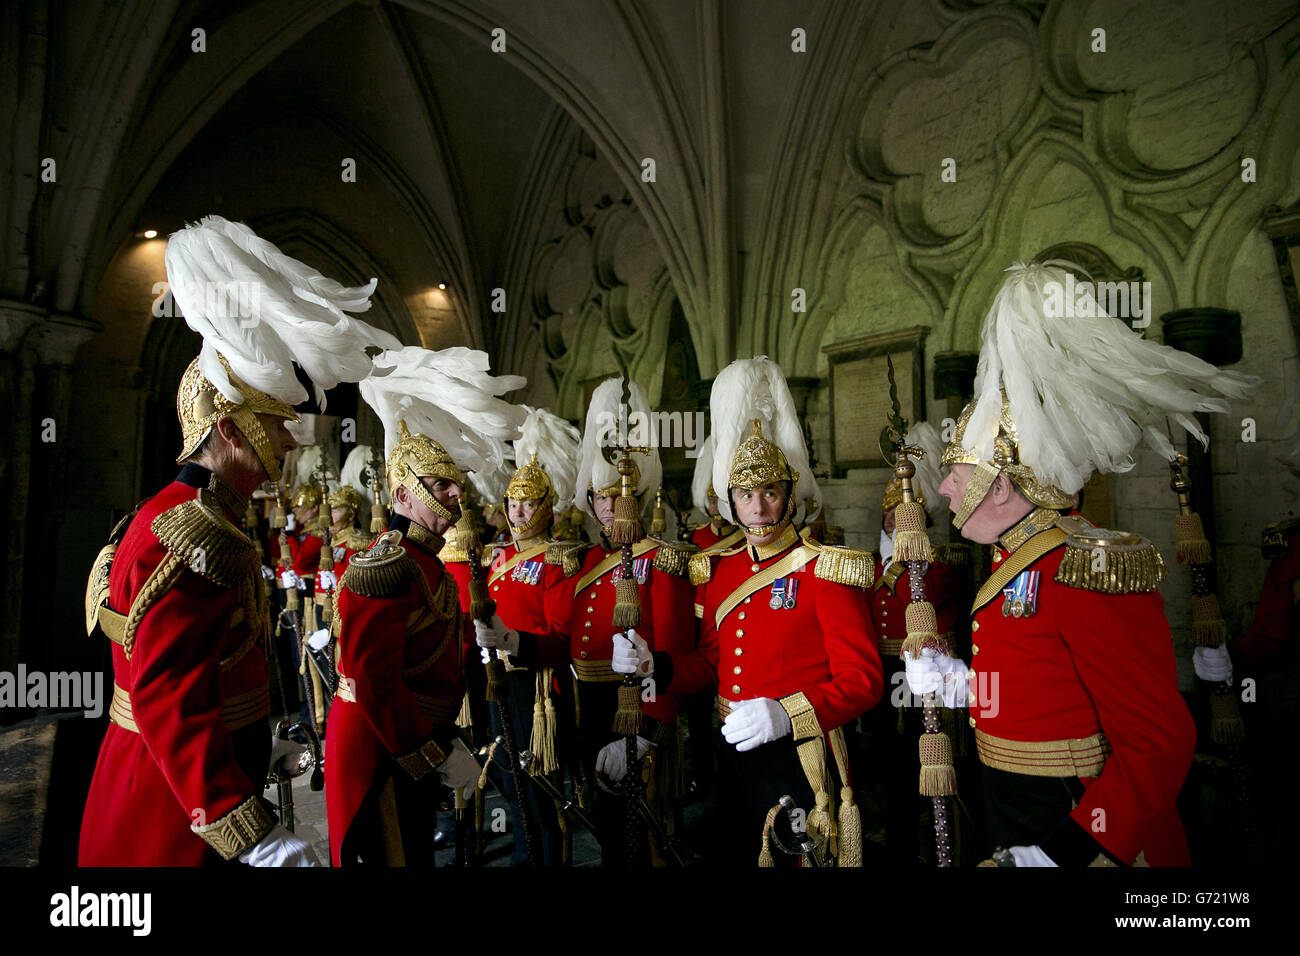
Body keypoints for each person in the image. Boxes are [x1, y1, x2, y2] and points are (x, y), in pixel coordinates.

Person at [907, 259, 1254, 866]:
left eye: (957, 475)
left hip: (1077, 822)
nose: (943, 491)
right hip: (1013, 805)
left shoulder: (1083, 567)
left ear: (1003, 488)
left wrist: (1069, 848)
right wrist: (965, 684)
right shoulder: (1013, 558)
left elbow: (1159, 743)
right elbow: (1040, 686)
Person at [80, 214, 399, 864]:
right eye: (276, 425)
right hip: (168, 814)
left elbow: (213, 668)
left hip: (189, 780)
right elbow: (168, 697)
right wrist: (241, 825)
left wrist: (253, 742)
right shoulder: (190, 531)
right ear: (229, 430)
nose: (289, 440)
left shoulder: (203, 517)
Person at [622, 356, 882, 867]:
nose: (759, 508)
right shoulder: (718, 570)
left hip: (800, 753)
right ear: (730, 502)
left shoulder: (824, 570)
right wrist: (660, 664)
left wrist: (787, 714)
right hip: (732, 751)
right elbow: (712, 662)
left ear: (790, 495)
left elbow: (864, 679)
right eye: (746, 494)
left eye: (770, 492)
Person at [326, 344, 526, 865]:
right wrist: (428, 752)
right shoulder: (387, 565)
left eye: (456, 485)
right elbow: (372, 679)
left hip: (412, 737)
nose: (456, 495)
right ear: (404, 493)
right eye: (441, 485)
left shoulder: (426, 560)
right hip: (381, 746)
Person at [513, 377, 695, 866]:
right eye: (600, 497)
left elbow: (675, 656)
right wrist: (515, 642)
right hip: (586, 710)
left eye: (618, 496)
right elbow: (563, 644)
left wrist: (646, 734)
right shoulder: (582, 562)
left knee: (638, 837)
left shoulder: (662, 561)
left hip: (636, 713)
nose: (610, 507)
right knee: (605, 830)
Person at [471, 407, 582, 865]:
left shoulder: (558, 560)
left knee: (540, 786)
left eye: (529, 504)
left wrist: (510, 640)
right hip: (498, 681)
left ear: (548, 507)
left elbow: (561, 640)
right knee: (509, 782)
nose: (518, 513)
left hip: (537, 689)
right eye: (512, 504)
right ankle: (524, 856)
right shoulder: (496, 557)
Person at [863, 423, 961, 866]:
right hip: (884, 673)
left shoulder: (932, 566)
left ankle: (922, 835)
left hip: (918, 672)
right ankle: (895, 829)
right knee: (887, 758)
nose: (892, 521)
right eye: (888, 516)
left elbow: (916, 603)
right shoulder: (878, 562)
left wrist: (904, 568)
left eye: (900, 515)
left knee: (917, 757)